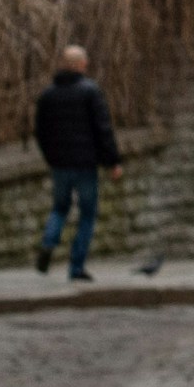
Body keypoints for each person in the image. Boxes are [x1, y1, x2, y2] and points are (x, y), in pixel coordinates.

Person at [32, 39, 118, 281]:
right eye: (85, 61)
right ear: (80, 64)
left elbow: (40, 131)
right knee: (87, 214)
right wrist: (113, 161)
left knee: (59, 207)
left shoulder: (48, 95)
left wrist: (50, 156)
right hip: (85, 164)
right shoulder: (90, 92)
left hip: (59, 164)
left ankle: (49, 242)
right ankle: (76, 266)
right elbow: (103, 128)